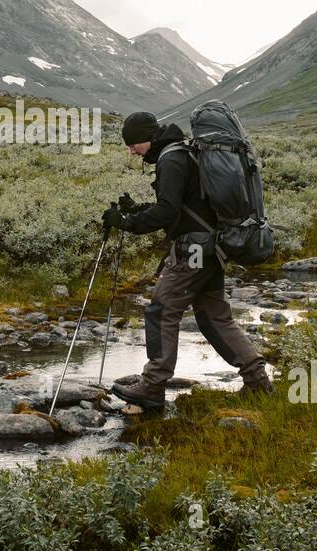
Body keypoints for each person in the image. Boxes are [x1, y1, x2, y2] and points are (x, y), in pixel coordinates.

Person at [101, 110, 273, 409]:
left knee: (162, 310)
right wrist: (137, 209)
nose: (131, 150)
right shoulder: (186, 151)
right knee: (213, 315)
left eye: (133, 143)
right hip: (212, 246)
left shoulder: (170, 159)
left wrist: (128, 222)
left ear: (148, 138)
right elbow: (186, 206)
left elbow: (168, 212)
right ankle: (257, 380)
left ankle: (153, 386)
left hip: (193, 249)